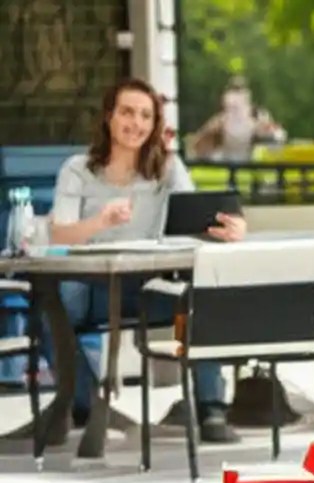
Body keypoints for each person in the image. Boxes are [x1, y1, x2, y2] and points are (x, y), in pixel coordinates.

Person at [46, 77, 247, 443]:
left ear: (154, 124)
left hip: (151, 286)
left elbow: (197, 219)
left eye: (145, 116)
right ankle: (86, 405)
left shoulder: (167, 166)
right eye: (126, 112)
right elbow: (59, 235)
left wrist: (232, 228)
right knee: (49, 306)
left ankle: (211, 408)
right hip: (93, 286)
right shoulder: (78, 169)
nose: (135, 123)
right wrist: (101, 222)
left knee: (201, 296)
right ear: (109, 116)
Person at [186, 76, 287, 162]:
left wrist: (263, 130)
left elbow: (277, 135)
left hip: (249, 159)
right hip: (227, 159)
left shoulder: (257, 116)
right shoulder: (222, 119)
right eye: (235, 91)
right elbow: (199, 142)